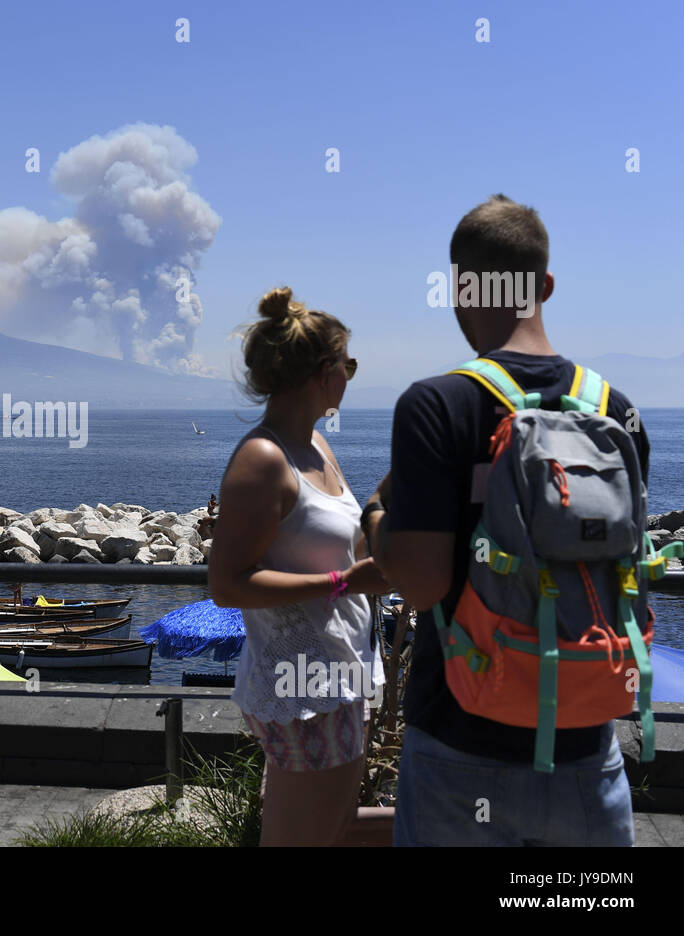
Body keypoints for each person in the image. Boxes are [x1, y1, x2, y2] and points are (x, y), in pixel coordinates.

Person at [365, 195, 650, 846]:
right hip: (585, 750)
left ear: (459, 287)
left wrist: (375, 514)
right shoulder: (618, 412)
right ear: (546, 284)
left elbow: (420, 586)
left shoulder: (438, 405)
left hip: (460, 746)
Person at [208, 286, 387, 846]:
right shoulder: (264, 459)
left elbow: (346, 546)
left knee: (328, 832)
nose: (351, 376)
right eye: (349, 363)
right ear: (322, 372)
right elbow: (227, 583)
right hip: (302, 693)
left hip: (341, 677)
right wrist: (341, 583)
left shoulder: (315, 446)